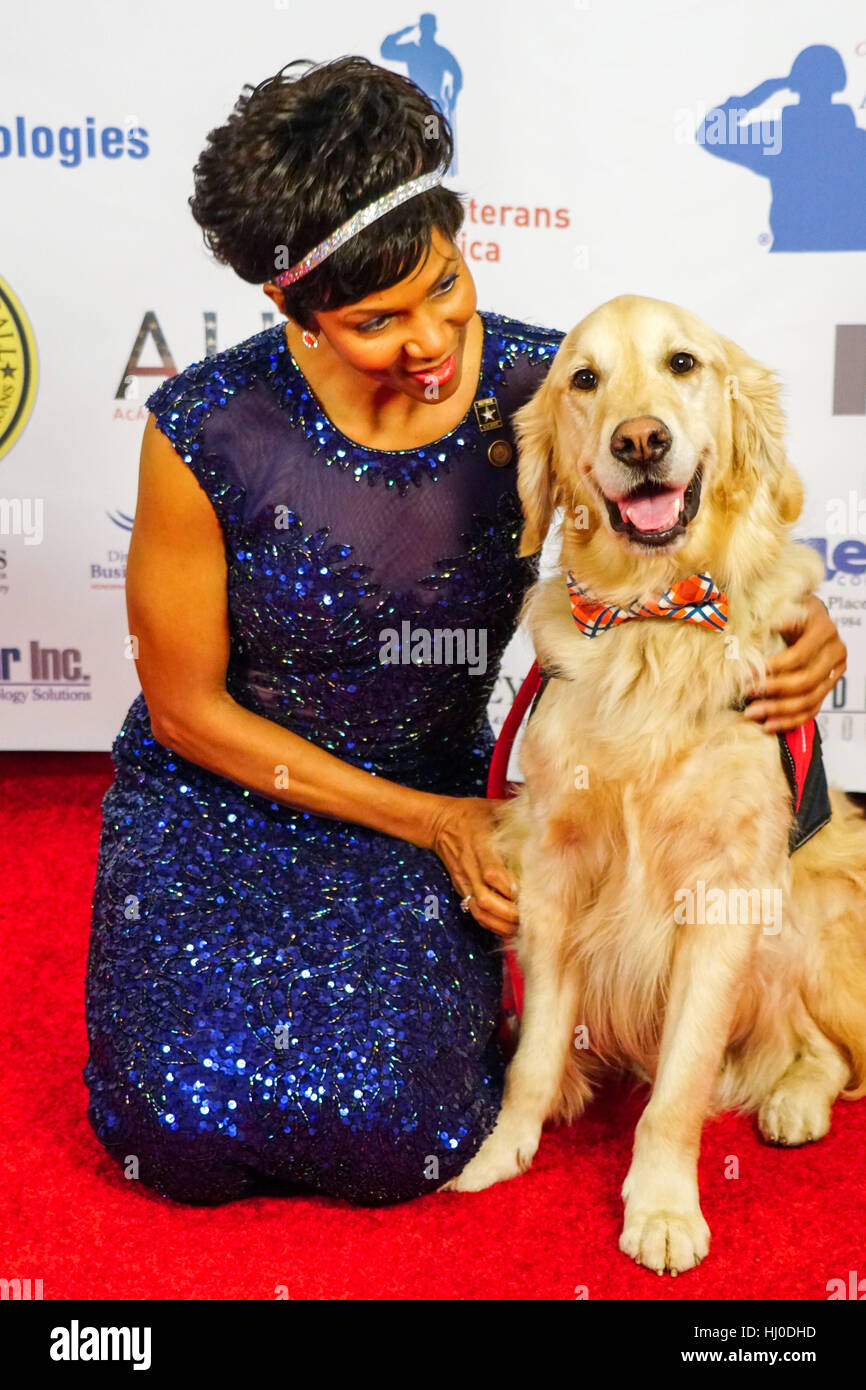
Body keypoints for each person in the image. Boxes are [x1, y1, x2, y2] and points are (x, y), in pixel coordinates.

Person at [84, 55, 847, 1208]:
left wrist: (809, 630)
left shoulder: (557, 385)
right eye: (375, 319)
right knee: (181, 1127)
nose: (433, 337)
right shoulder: (202, 427)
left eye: (446, 285)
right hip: (231, 798)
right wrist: (437, 820)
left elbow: (704, 482)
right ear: (290, 310)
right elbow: (188, 711)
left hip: (436, 806)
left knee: (400, 1131)